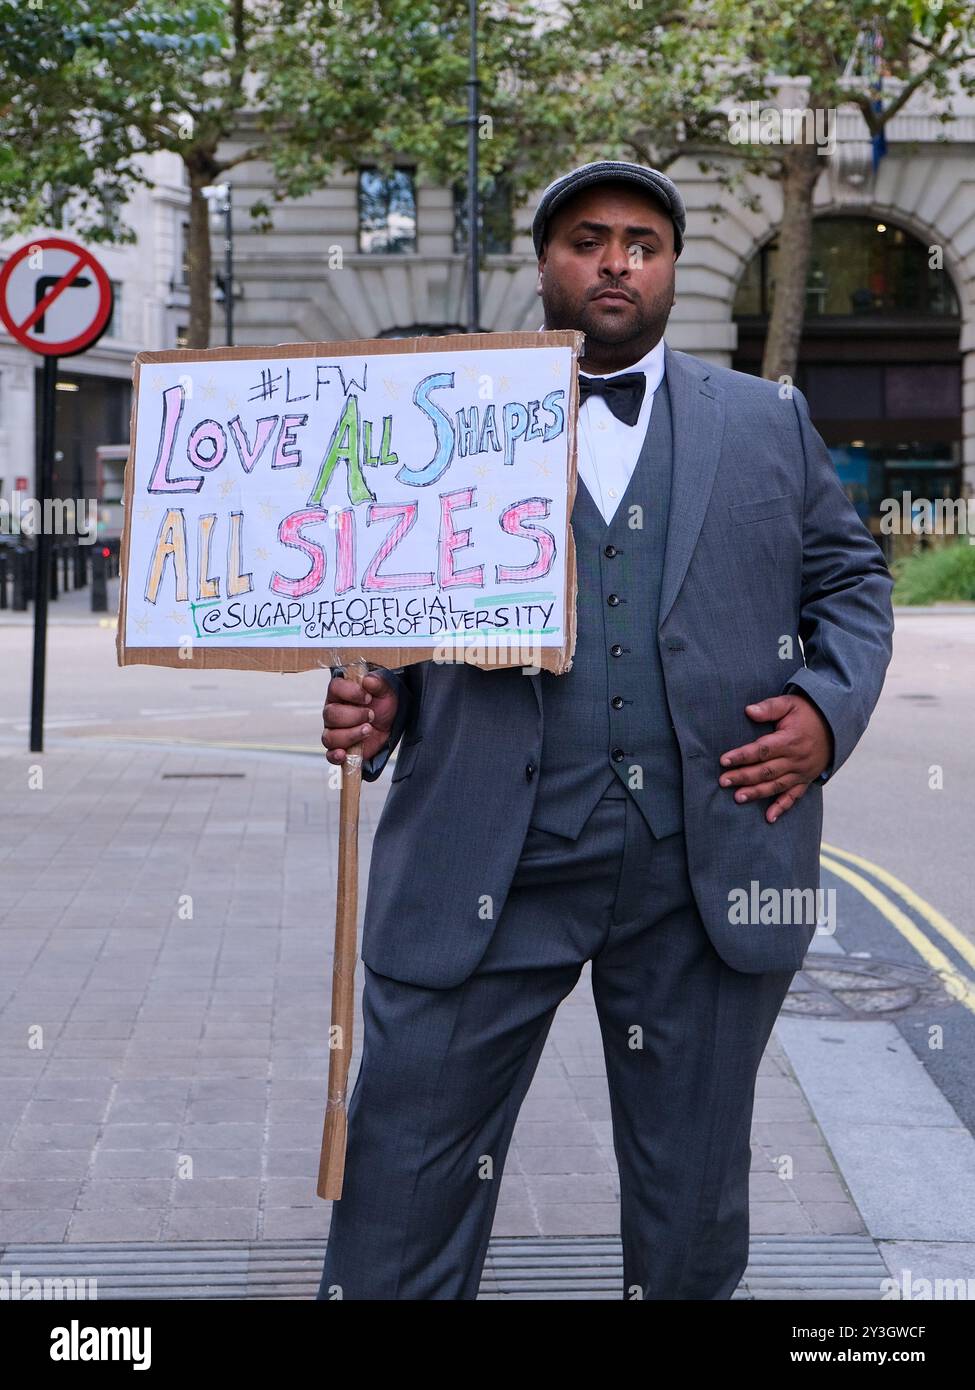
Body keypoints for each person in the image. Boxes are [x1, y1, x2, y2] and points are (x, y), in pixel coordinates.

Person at [315, 159, 895, 1301]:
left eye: (643, 241)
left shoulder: (765, 421)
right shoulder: (447, 410)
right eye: (588, 239)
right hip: (488, 854)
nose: (616, 260)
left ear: (673, 268)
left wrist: (827, 714)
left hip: (705, 862)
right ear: (544, 263)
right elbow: (384, 603)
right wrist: (378, 698)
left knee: (690, 1208)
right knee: (402, 1179)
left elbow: (854, 585)